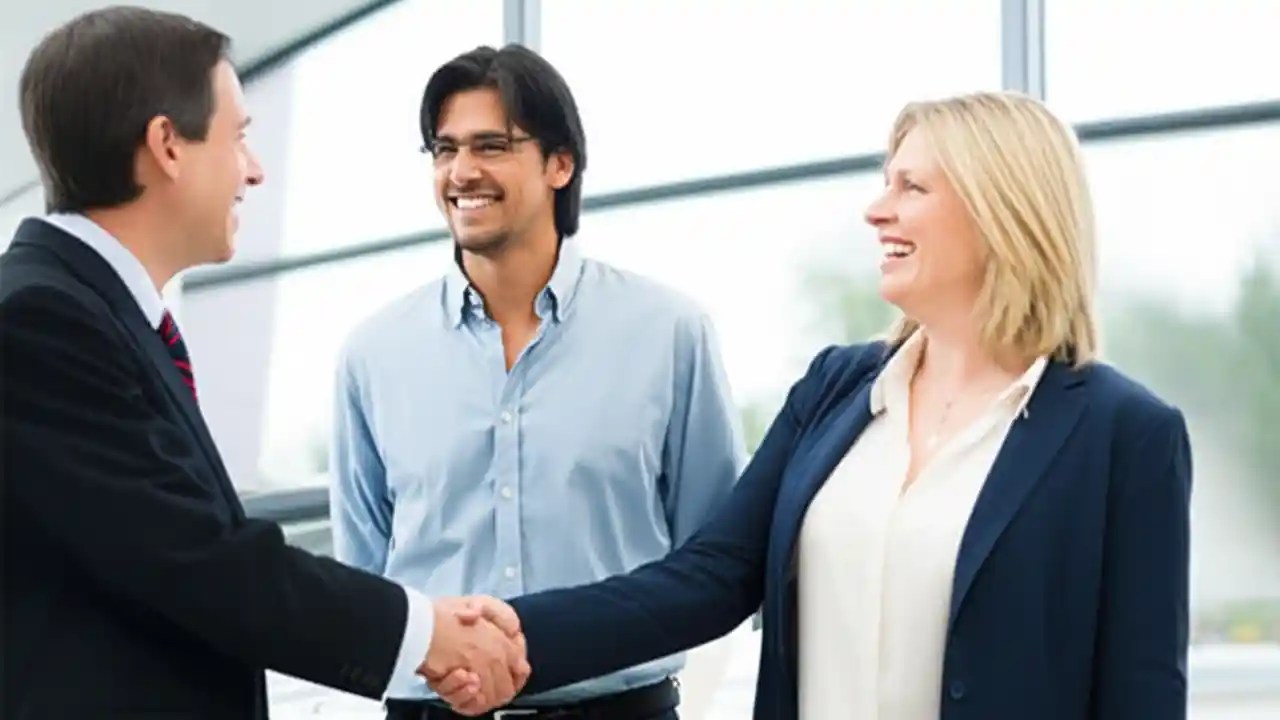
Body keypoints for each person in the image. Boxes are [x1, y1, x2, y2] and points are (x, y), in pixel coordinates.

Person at [432, 91, 1194, 719]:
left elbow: (1141, 697)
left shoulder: (1124, 435)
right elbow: (708, 577)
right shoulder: (839, 387)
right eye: (885, 180)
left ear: (1003, 208)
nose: (877, 210)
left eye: (911, 187)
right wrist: (514, 632)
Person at [0, 8, 528, 718]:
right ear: (168, 146)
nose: (253, 169)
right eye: (238, 136)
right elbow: (196, 561)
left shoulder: (93, 312)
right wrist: (425, 633)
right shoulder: (40, 321)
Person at [329, 43, 745, 720]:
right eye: (444, 149)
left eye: (491, 146)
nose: (462, 171)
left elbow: (711, 562)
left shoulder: (670, 334)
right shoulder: (372, 355)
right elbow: (365, 576)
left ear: (561, 163)